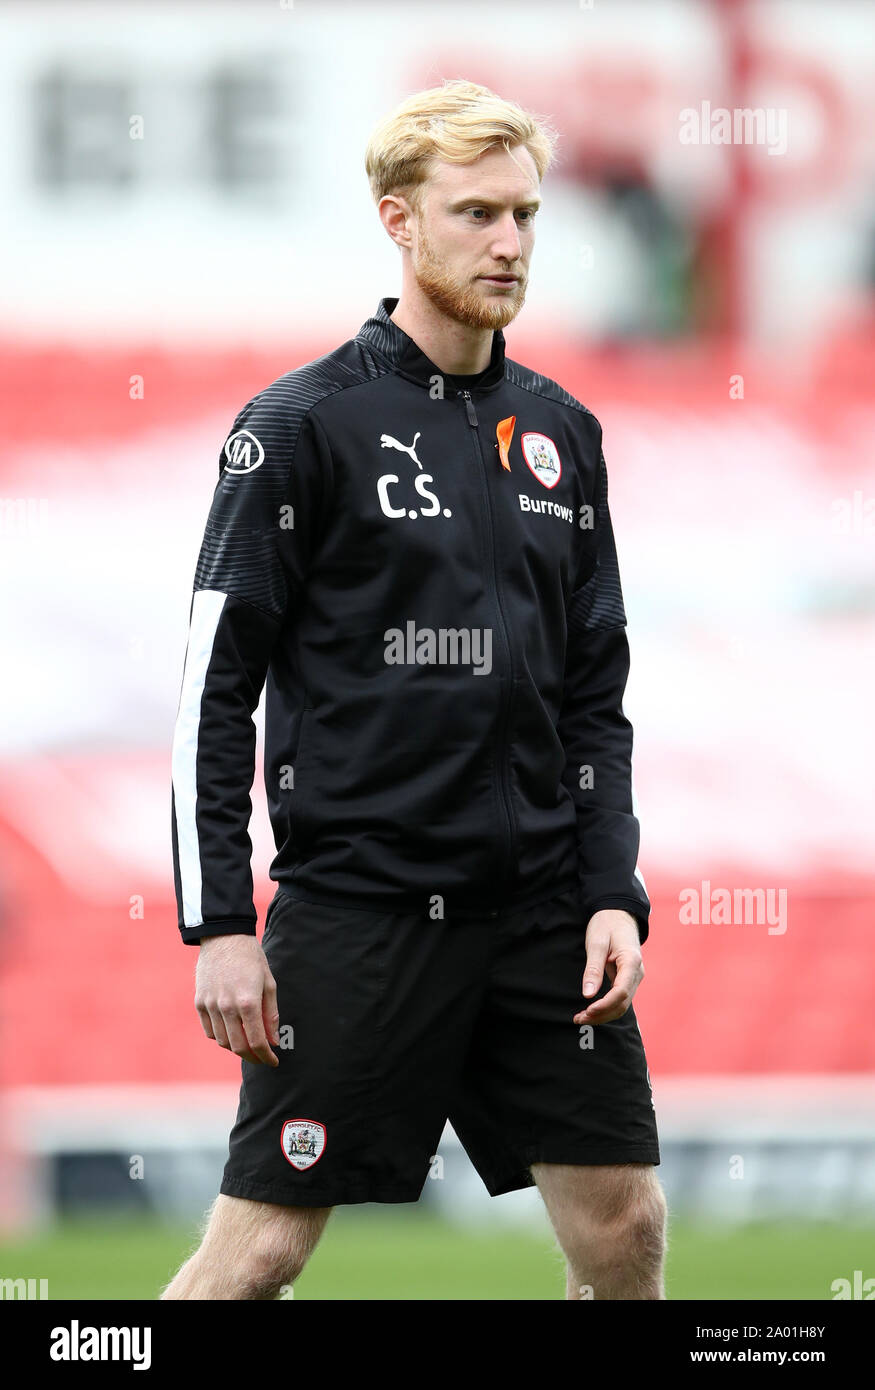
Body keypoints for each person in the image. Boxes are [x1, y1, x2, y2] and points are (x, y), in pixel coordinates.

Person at [163, 78, 666, 1301]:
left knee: (624, 1231)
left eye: (526, 215)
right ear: (398, 221)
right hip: (361, 913)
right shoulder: (299, 425)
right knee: (262, 1254)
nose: (509, 243)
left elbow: (592, 684)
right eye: (477, 212)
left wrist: (610, 888)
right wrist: (220, 921)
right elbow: (209, 692)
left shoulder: (561, 430)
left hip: (543, 913)